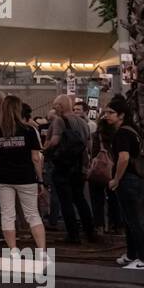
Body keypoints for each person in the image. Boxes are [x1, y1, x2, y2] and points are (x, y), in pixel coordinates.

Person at [0, 94, 47, 252]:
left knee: (7, 215)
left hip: (3, 177)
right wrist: (40, 180)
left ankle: (13, 251)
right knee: (33, 214)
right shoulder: (29, 130)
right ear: (19, 109)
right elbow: (36, 158)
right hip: (26, 177)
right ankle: (42, 251)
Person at [101, 96, 144, 270]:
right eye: (106, 112)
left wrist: (116, 179)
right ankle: (132, 255)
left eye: (111, 113)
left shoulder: (122, 133)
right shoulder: (132, 130)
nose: (107, 115)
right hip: (133, 179)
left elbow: (124, 158)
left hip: (128, 179)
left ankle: (143, 259)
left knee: (133, 220)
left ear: (121, 115)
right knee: (129, 220)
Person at [44, 93, 95, 243]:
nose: (54, 108)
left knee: (65, 201)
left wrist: (45, 148)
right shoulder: (83, 122)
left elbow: (54, 141)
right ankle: (90, 231)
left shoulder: (60, 121)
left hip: (63, 166)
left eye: (55, 106)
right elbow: (89, 145)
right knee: (80, 199)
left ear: (60, 106)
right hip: (79, 166)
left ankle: (73, 234)